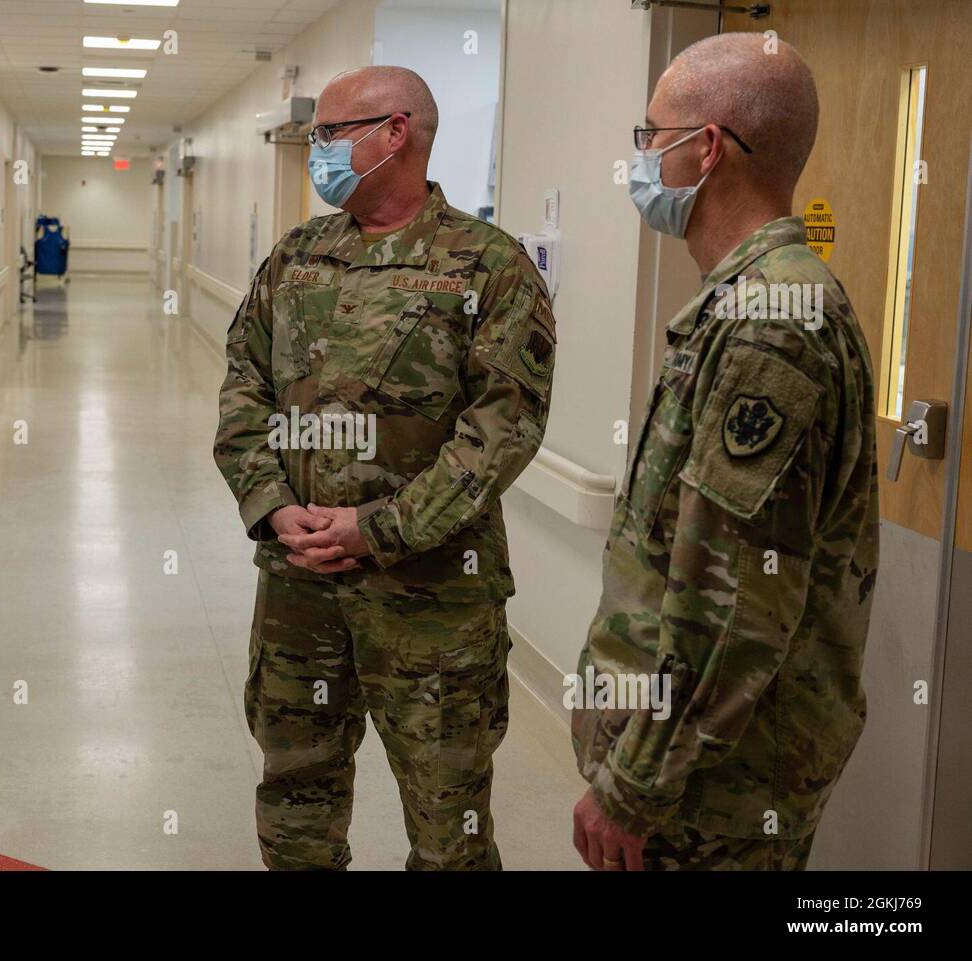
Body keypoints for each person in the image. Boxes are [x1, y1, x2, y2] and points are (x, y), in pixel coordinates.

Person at [214, 66, 556, 870]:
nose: (318, 150)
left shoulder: (488, 267)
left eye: (330, 133)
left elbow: (501, 430)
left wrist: (380, 528)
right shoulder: (296, 258)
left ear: (394, 133)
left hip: (431, 597)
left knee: (448, 822)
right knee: (297, 794)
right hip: (299, 588)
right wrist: (269, 504)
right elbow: (243, 389)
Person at [571, 33, 878, 871]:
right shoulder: (742, 302)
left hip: (713, 794)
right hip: (702, 774)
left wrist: (633, 785)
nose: (639, 160)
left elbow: (736, 602)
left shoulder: (772, 324)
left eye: (649, 136)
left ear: (705, 147)